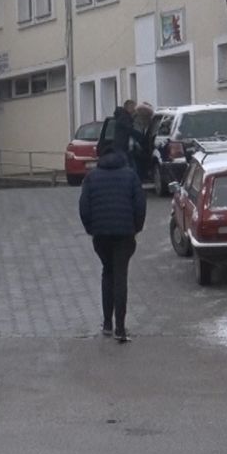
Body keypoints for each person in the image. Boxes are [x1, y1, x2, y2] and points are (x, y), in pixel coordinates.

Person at [78, 143, 147, 342]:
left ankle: (107, 323)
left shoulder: (91, 178)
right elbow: (140, 205)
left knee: (107, 273)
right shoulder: (130, 175)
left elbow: (84, 208)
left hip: (101, 236)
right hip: (125, 234)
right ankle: (121, 328)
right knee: (120, 276)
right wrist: (136, 227)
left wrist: (91, 228)